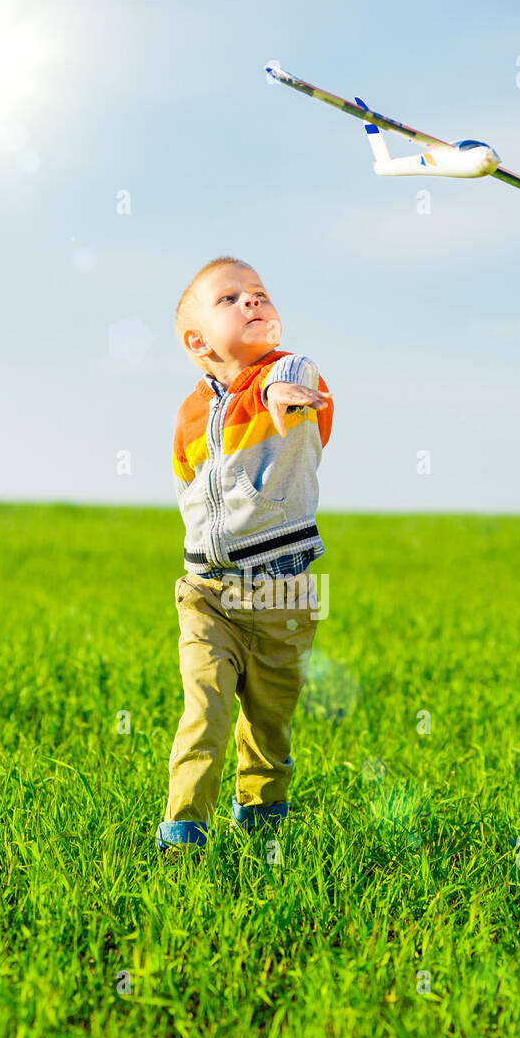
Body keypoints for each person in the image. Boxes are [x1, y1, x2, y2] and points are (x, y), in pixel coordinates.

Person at [156, 256, 334, 856]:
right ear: (197, 340)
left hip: (283, 594)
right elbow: (189, 482)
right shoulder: (187, 415)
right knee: (203, 714)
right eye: (230, 299)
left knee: (268, 726)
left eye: (259, 293)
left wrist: (277, 389)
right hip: (206, 594)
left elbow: (294, 384)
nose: (252, 301)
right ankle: (184, 833)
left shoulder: (293, 372)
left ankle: (261, 824)